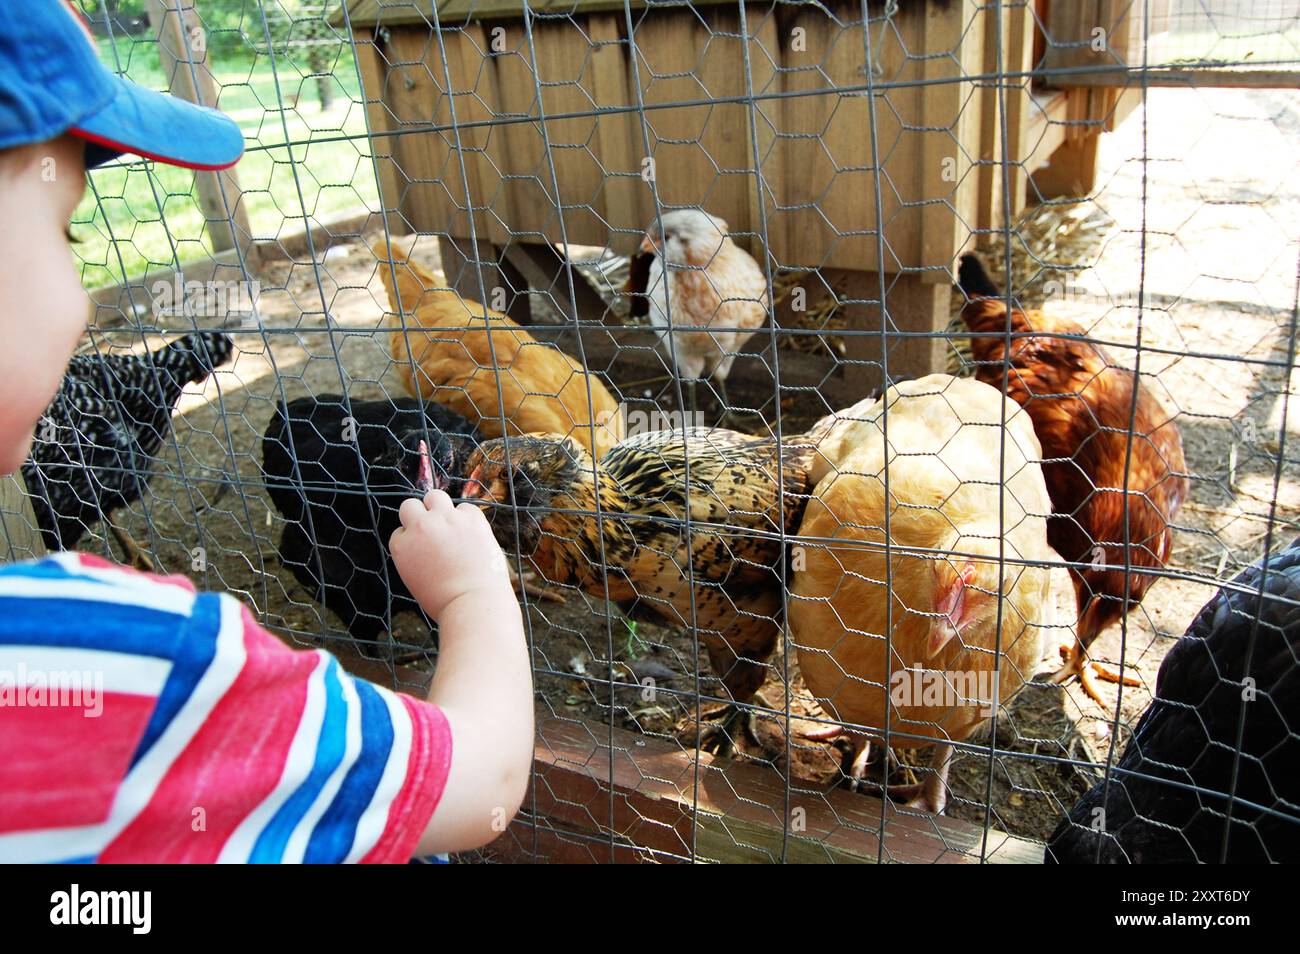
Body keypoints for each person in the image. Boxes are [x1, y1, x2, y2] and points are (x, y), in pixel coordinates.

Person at [0, 0, 532, 863]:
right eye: (63, 232)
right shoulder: (121, 662)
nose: (81, 292)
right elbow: (486, 787)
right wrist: (476, 594)